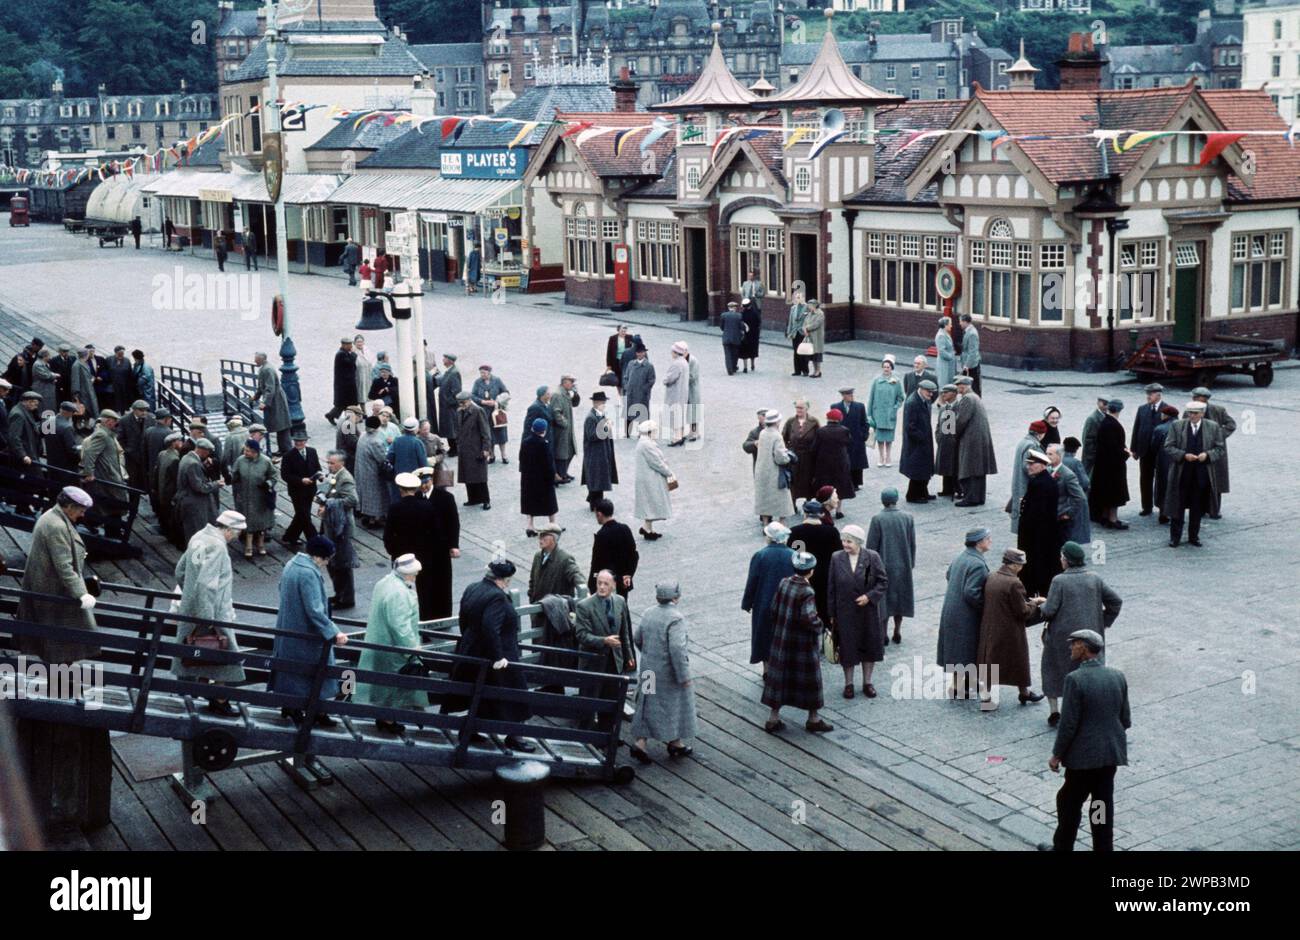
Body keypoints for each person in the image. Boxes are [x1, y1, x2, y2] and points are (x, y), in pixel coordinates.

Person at [1040, 629, 1130, 853]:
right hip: (1110, 755)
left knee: (1069, 802)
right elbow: (1125, 719)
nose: (1071, 648)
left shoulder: (1075, 680)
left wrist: (1056, 755)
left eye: (1074, 644)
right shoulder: (1117, 676)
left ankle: (1063, 847)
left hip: (1083, 759)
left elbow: (1068, 724)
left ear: (1083, 647)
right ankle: (1102, 847)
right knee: (1100, 803)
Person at [447, 559, 534, 752]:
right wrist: (498, 657)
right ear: (504, 580)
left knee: (483, 693)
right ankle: (515, 736)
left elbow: (464, 619)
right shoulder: (497, 597)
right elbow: (490, 628)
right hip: (498, 656)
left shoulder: (473, 588)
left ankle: (469, 731)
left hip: (473, 651)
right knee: (516, 694)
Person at [268, 537, 348, 736]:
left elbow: (281, 589)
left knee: (294, 671)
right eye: (327, 558)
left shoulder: (291, 564)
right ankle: (315, 710)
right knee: (317, 671)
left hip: (289, 626)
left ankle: (292, 707)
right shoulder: (308, 573)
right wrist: (333, 631)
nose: (327, 562)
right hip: (306, 633)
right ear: (318, 556)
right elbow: (315, 610)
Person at [172, 510, 248, 714]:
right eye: (238, 533)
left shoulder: (199, 537)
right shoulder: (218, 547)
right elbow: (207, 584)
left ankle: (207, 694)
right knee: (226, 656)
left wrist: (190, 594)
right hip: (213, 611)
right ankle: (220, 700)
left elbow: (180, 571)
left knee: (204, 654)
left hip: (190, 608)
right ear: (229, 530)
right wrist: (206, 618)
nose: (237, 537)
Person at [1040, 542, 1123, 727]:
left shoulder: (1059, 581)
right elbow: (1116, 601)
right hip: (1091, 636)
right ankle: (1088, 711)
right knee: (1090, 673)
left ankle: (1054, 712)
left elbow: (1049, 611)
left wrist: (1040, 604)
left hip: (1063, 638)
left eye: (1062, 557)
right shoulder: (1094, 578)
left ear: (1067, 561)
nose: (1060, 560)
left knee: (1053, 671)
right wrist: (1103, 622)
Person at [17, 487, 99, 663]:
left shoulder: (53, 517)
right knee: (61, 646)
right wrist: (82, 594)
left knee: (60, 646)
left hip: (50, 588)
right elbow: (64, 566)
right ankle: (61, 687)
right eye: (81, 510)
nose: (82, 515)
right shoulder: (56, 526)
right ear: (69, 506)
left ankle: (62, 685)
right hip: (53, 592)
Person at [354, 554, 427, 732]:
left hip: (381, 641)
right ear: (407, 573)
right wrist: (412, 647)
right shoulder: (399, 593)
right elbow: (400, 625)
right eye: (414, 573)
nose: (415, 576)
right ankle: (388, 720)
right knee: (394, 685)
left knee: (384, 683)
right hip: (395, 649)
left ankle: (384, 717)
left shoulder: (385, 582)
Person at [761, 551, 832, 734]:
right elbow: (808, 618)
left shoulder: (784, 582)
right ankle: (813, 719)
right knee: (810, 680)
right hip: (802, 645)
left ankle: (773, 719)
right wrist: (820, 626)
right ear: (811, 571)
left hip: (782, 639)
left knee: (779, 679)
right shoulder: (807, 591)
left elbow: (774, 607)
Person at [630, 582, 697, 761]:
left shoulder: (648, 613)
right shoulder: (676, 618)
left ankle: (641, 743)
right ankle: (675, 742)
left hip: (648, 670)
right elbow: (677, 649)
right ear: (675, 597)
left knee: (646, 702)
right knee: (675, 705)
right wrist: (684, 676)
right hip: (666, 674)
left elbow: (637, 639)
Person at [975, 548, 1045, 707]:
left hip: (990, 627)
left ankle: (987, 698)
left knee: (989, 661)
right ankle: (1023, 693)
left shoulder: (992, 576)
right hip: (1010, 631)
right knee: (1018, 661)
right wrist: (1035, 603)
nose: (1022, 567)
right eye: (1020, 564)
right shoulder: (1014, 583)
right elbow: (1022, 611)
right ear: (1013, 565)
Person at [827, 524, 888, 700]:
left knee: (869, 646)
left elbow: (882, 582)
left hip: (866, 612)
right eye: (844, 541)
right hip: (845, 612)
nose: (845, 545)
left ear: (859, 542)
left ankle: (867, 682)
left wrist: (869, 597)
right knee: (847, 648)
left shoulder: (872, 557)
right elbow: (831, 586)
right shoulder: (836, 558)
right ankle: (849, 684)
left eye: (849, 542)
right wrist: (831, 613)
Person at [572, 568, 635, 728]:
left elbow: (624, 631)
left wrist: (628, 656)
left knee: (611, 697)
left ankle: (607, 733)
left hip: (614, 660)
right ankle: (586, 735)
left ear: (614, 585)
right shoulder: (584, 606)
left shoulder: (620, 601)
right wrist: (604, 641)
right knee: (590, 699)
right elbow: (581, 635)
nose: (601, 587)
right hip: (593, 662)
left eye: (606, 584)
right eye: (599, 583)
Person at [937, 528, 992, 700]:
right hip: (965, 615)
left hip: (952, 609)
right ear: (979, 542)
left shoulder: (960, 557)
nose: (990, 541)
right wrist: (985, 606)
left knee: (957, 649)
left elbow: (948, 575)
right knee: (964, 648)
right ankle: (957, 687)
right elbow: (971, 592)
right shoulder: (977, 564)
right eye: (987, 538)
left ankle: (961, 683)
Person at [1164, 401, 1224, 548]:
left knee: (1197, 507)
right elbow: (1168, 446)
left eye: (1195, 413)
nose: (1192, 416)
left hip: (1201, 474)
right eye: (1190, 413)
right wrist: (1183, 455)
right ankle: (1175, 537)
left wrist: (1208, 455)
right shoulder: (1177, 426)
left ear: (1202, 413)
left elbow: (1220, 449)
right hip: (1181, 474)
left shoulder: (1212, 427)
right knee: (1177, 507)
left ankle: (1193, 536)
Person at [528, 524, 584, 683]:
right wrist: (531, 597)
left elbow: (577, 577)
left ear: (553, 538)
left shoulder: (565, 559)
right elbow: (532, 581)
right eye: (539, 536)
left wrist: (581, 594)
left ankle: (553, 684)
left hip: (554, 615)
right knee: (539, 648)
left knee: (553, 652)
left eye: (543, 536)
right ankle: (544, 681)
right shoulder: (538, 556)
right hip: (538, 612)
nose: (540, 539)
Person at [742, 521, 795, 674]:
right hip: (787, 603)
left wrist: (747, 602)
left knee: (765, 636)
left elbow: (752, 581)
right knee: (785, 636)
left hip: (764, 602)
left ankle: (767, 670)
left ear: (769, 538)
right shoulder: (793, 555)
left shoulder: (760, 556)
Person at [867, 488, 916, 645]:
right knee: (900, 598)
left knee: (884, 600)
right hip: (903, 564)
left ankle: (883, 634)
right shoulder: (907, 518)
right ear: (896, 500)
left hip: (883, 565)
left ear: (883, 501)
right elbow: (912, 543)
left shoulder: (877, 519)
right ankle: (898, 630)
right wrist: (911, 563)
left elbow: (871, 546)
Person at [787, 499, 840, 626]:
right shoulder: (831, 532)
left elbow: (790, 556)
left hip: (803, 577)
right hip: (825, 578)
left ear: (805, 514)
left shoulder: (794, 532)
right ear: (821, 514)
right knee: (824, 611)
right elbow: (839, 556)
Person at [316, 453, 359, 610]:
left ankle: (347, 598)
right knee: (333, 562)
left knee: (342, 563)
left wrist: (328, 504)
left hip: (341, 527)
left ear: (341, 463)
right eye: (328, 462)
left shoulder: (345, 478)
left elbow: (353, 500)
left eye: (332, 463)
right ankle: (339, 593)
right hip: (331, 524)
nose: (329, 465)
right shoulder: (334, 475)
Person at [1017, 449, 1061, 598]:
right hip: (1043, 534)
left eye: (1032, 464)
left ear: (1042, 465)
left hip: (1037, 536)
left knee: (1037, 565)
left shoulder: (1040, 484)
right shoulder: (1043, 481)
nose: (1029, 467)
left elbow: (1037, 514)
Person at [80, 410, 130, 539]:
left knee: (112, 506)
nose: (116, 424)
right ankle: (111, 533)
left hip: (110, 476)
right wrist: (89, 473)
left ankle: (114, 533)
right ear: (108, 421)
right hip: (107, 477)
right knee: (113, 505)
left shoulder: (108, 435)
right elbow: (90, 454)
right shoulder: (102, 435)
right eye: (114, 421)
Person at [1188, 386, 1234, 518]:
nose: (1194, 399)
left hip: (1215, 451)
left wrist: (1218, 435)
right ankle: (1200, 508)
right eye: (1193, 397)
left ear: (1204, 399)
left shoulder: (1218, 410)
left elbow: (1231, 425)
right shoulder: (1190, 410)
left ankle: (1214, 510)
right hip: (1197, 451)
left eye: (1197, 397)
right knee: (1200, 480)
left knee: (1216, 482)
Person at [231, 438, 279, 558]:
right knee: (248, 522)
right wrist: (233, 480)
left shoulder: (266, 461)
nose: (245, 453)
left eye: (248, 451)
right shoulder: (240, 460)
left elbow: (274, 476)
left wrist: (267, 484)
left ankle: (261, 544)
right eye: (245, 450)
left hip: (261, 496)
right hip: (245, 495)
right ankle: (248, 546)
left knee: (261, 522)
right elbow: (234, 474)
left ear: (255, 452)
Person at [953, 375, 996, 506]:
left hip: (971, 439)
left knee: (969, 468)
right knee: (978, 470)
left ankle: (970, 498)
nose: (957, 388)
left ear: (963, 386)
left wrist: (951, 434)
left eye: (958, 385)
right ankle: (978, 497)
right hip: (979, 439)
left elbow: (961, 420)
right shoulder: (975, 397)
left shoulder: (967, 398)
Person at [1089, 399, 1130, 530]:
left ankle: (1105, 517)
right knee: (1114, 493)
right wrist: (1126, 454)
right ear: (1119, 410)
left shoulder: (1105, 422)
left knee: (1106, 492)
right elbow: (1114, 448)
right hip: (1113, 466)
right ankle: (1112, 519)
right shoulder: (1113, 425)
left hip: (1103, 465)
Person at [589, 499, 638, 599]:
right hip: (624, 581)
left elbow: (597, 562)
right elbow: (633, 555)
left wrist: (592, 583)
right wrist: (628, 575)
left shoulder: (601, 535)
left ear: (599, 514)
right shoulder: (625, 529)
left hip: (608, 582)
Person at [1129, 382, 1165, 517]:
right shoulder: (1142, 409)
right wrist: (1134, 449)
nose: (1148, 397)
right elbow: (1136, 428)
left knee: (1162, 480)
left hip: (1160, 453)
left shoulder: (1167, 409)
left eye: (1151, 394)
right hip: (1145, 451)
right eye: (1147, 394)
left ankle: (1163, 508)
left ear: (1158, 395)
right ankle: (1147, 507)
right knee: (1145, 479)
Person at [633, 419, 674, 540]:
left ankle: (647, 528)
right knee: (652, 503)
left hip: (648, 478)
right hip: (650, 479)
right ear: (650, 432)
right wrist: (669, 472)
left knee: (649, 504)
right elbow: (656, 462)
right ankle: (647, 529)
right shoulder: (647, 445)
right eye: (655, 431)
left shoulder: (645, 442)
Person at [899, 379, 937, 502]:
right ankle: (912, 495)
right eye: (929, 392)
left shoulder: (924, 400)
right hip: (916, 443)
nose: (931, 395)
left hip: (924, 440)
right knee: (917, 470)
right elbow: (909, 426)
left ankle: (923, 492)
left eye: (932, 392)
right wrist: (921, 437)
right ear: (920, 389)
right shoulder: (912, 402)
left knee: (924, 469)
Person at [281, 430, 321, 547]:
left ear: (306, 441)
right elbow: (285, 475)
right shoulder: (288, 456)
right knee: (304, 515)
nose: (299, 443)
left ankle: (289, 536)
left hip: (310, 489)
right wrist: (300, 480)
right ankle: (314, 540)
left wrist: (320, 475)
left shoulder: (312, 451)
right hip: (297, 491)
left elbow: (317, 467)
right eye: (296, 441)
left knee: (301, 514)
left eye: (301, 441)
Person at [754, 409, 793, 525]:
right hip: (775, 472)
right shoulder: (777, 436)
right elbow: (780, 457)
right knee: (782, 499)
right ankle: (781, 524)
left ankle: (766, 524)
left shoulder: (763, 433)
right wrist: (788, 458)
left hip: (762, 470)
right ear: (777, 422)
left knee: (765, 499)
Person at [520, 417, 558, 535]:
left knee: (529, 501)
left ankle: (530, 526)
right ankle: (552, 524)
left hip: (528, 478)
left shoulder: (525, 442)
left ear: (532, 429)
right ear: (544, 431)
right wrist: (553, 477)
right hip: (543, 479)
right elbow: (549, 463)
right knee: (550, 502)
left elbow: (521, 458)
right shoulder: (544, 444)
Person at [1008, 420, 1047, 534]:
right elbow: (1028, 466)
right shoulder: (1032, 445)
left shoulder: (1023, 442)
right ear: (1040, 434)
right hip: (1025, 484)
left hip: (1019, 482)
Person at [1047, 443, 1090, 546]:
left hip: (1061, 517)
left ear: (1059, 455)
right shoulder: (1048, 470)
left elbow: (1080, 498)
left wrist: (1068, 514)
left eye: (1050, 454)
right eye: (1047, 453)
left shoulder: (1068, 475)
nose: (1047, 456)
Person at [456, 390, 492, 510]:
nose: (461, 405)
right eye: (460, 403)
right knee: (468, 476)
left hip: (476, 448)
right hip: (465, 449)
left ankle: (486, 500)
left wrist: (486, 448)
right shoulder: (460, 411)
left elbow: (485, 432)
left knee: (480, 477)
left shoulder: (478, 411)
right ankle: (473, 498)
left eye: (463, 403)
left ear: (469, 401)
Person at [866, 357, 905, 467]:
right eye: (884, 367)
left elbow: (901, 397)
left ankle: (888, 456)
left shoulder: (896, 382)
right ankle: (881, 456)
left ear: (891, 368)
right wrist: (869, 414)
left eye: (888, 367)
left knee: (888, 437)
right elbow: (871, 398)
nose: (886, 369)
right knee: (879, 437)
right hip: (878, 413)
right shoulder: (877, 381)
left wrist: (895, 407)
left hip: (890, 414)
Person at [581, 390, 617, 510]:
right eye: (603, 402)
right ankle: (595, 504)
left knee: (599, 478)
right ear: (596, 403)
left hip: (601, 452)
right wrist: (606, 429)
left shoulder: (600, 414)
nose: (604, 404)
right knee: (596, 478)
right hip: (594, 454)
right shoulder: (591, 418)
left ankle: (595, 500)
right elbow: (592, 436)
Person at [811, 408, 855, 506]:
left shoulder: (821, 431)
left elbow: (814, 448)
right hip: (840, 462)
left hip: (824, 463)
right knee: (840, 486)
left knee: (824, 485)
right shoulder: (845, 431)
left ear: (828, 418)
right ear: (839, 418)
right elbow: (850, 444)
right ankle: (839, 510)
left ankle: (825, 507)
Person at [782, 399, 819, 512]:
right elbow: (783, 438)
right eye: (797, 407)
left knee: (808, 480)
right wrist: (786, 452)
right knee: (793, 481)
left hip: (808, 457)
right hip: (794, 457)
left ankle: (808, 504)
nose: (798, 410)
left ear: (807, 408)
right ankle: (792, 504)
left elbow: (819, 438)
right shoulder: (790, 421)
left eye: (801, 408)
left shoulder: (814, 421)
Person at [251, 352, 291, 454]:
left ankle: (286, 450)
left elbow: (270, 388)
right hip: (274, 400)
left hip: (276, 401)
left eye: (256, 359)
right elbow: (262, 386)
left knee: (281, 426)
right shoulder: (264, 368)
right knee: (280, 425)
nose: (254, 361)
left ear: (262, 359)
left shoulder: (267, 369)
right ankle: (283, 449)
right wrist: (256, 396)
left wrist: (265, 402)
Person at [355, 415, 390, 526]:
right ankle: (374, 519)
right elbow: (382, 458)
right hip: (372, 472)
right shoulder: (375, 441)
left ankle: (367, 515)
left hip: (361, 470)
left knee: (365, 494)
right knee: (376, 495)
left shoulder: (363, 436)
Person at [834, 386, 870, 488]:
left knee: (857, 461)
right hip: (842, 439)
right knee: (844, 460)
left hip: (857, 439)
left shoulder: (859, 406)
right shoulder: (836, 407)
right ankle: (845, 482)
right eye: (849, 395)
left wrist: (864, 435)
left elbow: (865, 423)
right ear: (843, 396)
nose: (851, 396)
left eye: (852, 394)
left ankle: (856, 483)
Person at [621, 339, 655, 436]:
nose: (640, 354)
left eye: (642, 352)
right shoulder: (631, 364)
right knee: (629, 413)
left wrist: (645, 389)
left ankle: (642, 432)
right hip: (631, 392)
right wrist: (626, 386)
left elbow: (651, 380)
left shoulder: (649, 366)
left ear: (644, 353)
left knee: (642, 413)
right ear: (636, 353)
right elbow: (626, 376)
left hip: (642, 394)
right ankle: (627, 432)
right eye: (638, 352)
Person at [1150, 406, 1178, 523]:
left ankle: (1163, 513)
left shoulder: (1160, 429)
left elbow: (1153, 447)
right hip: (1178, 461)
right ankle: (1176, 512)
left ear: (1166, 415)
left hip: (1163, 462)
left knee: (1162, 487)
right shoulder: (1182, 427)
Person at [550, 374, 579, 483]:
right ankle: (560, 474)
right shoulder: (558, 395)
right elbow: (555, 412)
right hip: (561, 430)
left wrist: (576, 394)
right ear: (564, 382)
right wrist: (564, 423)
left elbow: (575, 404)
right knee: (561, 452)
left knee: (570, 450)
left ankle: (563, 472)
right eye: (570, 382)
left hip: (567, 429)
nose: (572, 384)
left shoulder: (566, 393)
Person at [432, 354, 461, 455]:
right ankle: (452, 447)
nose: (443, 360)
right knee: (448, 428)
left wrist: (449, 401)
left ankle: (455, 448)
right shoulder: (449, 371)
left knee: (452, 428)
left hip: (450, 407)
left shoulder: (454, 373)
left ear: (450, 361)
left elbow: (457, 391)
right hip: (445, 406)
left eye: (445, 358)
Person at [934, 383, 960, 498]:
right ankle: (947, 489)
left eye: (946, 392)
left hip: (954, 442)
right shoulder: (944, 407)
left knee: (954, 466)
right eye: (942, 392)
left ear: (954, 394)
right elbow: (938, 424)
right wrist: (938, 436)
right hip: (943, 441)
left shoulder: (958, 407)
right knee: (945, 466)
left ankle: (958, 489)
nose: (943, 394)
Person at [325, 337, 358, 425]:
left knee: (344, 403)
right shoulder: (341, 354)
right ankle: (333, 415)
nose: (351, 346)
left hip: (346, 382)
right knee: (344, 403)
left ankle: (334, 415)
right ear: (344, 345)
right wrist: (354, 353)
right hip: (344, 384)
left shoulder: (345, 353)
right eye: (349, 344)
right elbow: (350, 362)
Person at [45, 401, 81, 473]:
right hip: (66, 468)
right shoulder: (67, 427)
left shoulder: (49, 421)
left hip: (51, 464)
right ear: (69, 413)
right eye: (73, 413)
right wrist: (79, 458)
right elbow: (71, 450)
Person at [1080, 396, 1109, 479]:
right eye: (1104, 404)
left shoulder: (1106, 416)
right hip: (1092, 458)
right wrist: (1094, 455)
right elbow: (1087, 440)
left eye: (1108, 404)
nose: (1106, 406)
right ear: (1098, 403)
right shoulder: (1092, 419)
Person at [785, 294, 810, 377]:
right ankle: (797, 370)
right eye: (796, 298)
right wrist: (789, 332)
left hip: (803, 332)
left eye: (799, 297)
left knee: (803, 351)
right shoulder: (793, 308)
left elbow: (809, 320)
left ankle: (805, 370)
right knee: (796, 352)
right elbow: (790, 322)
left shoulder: (807, 308)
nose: (797, 299)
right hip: (795, 332)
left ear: (803, 298)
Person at [71, 348, 98, 423]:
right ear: (86, 355)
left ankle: (86, 424)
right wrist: (75, 393)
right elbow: (75, 380)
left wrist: (91, 378)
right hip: (82, 392)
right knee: (82, 410)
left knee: (88, 410)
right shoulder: (76, 365)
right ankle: (79, 425)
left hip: (88, 389)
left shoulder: (84, 363)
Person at [801, 299, 826, 378]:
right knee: (812, 355)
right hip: (810, 337)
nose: (808, 307)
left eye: (810, 305)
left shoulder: (820, 314)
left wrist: (807, 328)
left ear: (815, 305)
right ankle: (815, 370)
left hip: (817, 337)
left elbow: (816, 324)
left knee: (817, 355)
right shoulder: (809, 314)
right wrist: (804, 328)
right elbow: (805, 322)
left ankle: (818, 371)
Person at [958, 313, 981, 396]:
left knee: (974, 385)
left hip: (971, 365)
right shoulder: (968, 331)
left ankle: (976, 402)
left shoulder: (972, 334)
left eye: (960, 321)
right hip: (967, 364)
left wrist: (967, 365)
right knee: (966, 384)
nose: (959, 323)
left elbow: (973, 351)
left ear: (965, 322)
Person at [720, 301, 746, 376]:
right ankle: (734, 367)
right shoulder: (739, 316)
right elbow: (741, 327)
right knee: (735, 354)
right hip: (736, 338)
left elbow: (721, 327)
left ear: (729, 308)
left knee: (727, 355)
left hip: (726, 338)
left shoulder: (723, 315)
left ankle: (729, 370)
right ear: (735, 308)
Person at [107, 346, 135, 414]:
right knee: (114, 400)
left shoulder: (127, 361)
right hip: (112, 384)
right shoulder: (109, 359)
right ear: (115, 353)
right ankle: (114, 413)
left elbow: (130, 374)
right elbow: (105, 371)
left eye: (122, 353)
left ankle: (123, 412)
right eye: (119, 353)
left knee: (123, 400)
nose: (121, 355)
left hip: (124, 384)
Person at [739, 296, 762, 373]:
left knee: (744, 351)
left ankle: (745, 367)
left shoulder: (742, 314)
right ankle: (752, 364)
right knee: (753, 350)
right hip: (754, 335)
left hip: (745, 335)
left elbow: (741, 324)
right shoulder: (755, 313)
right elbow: (759, 323)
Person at [32, 348, 58, 415]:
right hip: (42, 389)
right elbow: (46, 375)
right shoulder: (38, 364)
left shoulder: (44, 363)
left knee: (48, 407)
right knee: (43, 408)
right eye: (49, 355)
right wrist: (54, 375)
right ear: (45, 356)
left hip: (46, 389)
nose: (50, 357)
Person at [934, 316, 956, 388]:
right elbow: (942, 351)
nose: (951, 326)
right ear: (945, 325)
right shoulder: (941, 335)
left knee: (949, 384)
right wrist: (951, 356)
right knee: (944, 384)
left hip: (948, 364)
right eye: (950, 324)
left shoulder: (945, 333)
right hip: (944, 365)